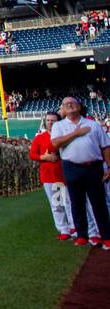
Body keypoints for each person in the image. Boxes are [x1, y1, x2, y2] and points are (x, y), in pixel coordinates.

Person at [49, 97, 110, 249]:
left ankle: (106, 236)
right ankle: (82, 235)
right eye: (65, 104)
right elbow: (55, 143)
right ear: (62, 109)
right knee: (77, 202)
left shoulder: (93, 124)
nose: (69, 105)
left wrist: (109, 166)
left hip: (93, 166)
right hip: (71, 166)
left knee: (99, 202)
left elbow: (106, 146)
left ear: (79, 106)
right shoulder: (59, 126)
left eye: (73, 103)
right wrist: (76, 134)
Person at [30, 111, 73, 240]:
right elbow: (32, 154)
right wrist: (44, 157)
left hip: (65, 174)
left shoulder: (64, 136)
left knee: (70, 202)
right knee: (57, 204)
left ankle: (75, 227)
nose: (50, 123)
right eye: (48, 120)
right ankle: (64, 229)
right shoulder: (39, 138)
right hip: (49, 175)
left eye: (53, 121)